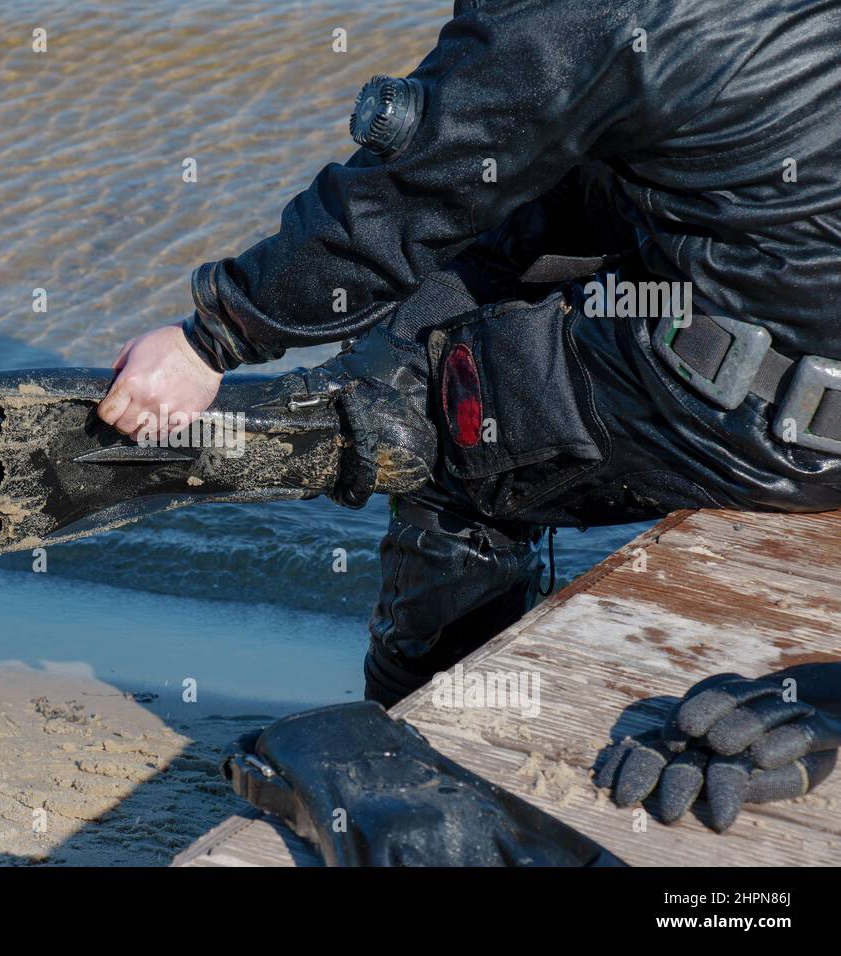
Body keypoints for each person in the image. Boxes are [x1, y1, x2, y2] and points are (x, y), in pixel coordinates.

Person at [96, 0, 841, 707]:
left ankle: (418, 723)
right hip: (789, 322)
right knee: (481, 261)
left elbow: (402, 197)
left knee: (445, 419)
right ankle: (382, 386)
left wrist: (211, 339)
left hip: (776, 424)